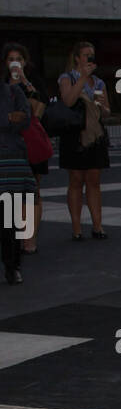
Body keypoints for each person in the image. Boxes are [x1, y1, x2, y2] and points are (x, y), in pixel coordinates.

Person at [58, 40, 111, 240]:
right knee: (76, 179)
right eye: (86, 55)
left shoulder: (98, 83)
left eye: (92, 54)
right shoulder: (67, 78)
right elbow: (68, 100)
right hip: (74, 134)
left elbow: (105, 110)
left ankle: (98, 225)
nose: (90, 58)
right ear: (77, 58)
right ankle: (76, 228)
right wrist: (82, 77)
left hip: (94, 134)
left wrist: (102, 109)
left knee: (94, 180)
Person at [1, 42, 49, 252]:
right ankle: (15, 238)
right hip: (8, 146)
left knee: (32, 192)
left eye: (19, 59)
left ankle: (29, 238)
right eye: (11, 59)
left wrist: (24, 81)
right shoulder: (2, 85)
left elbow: (36, 110)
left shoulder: (33, 83)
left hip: (31, 142)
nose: (15, 63)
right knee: (11, 193)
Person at [0, 72, 35, 285]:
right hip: (9, 153)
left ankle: (13, 266)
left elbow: (26, 117)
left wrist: (11, 119)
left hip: (11, 159)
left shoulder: (14, 90)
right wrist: (7, 118)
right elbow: (13, 119)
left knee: (9, 218)